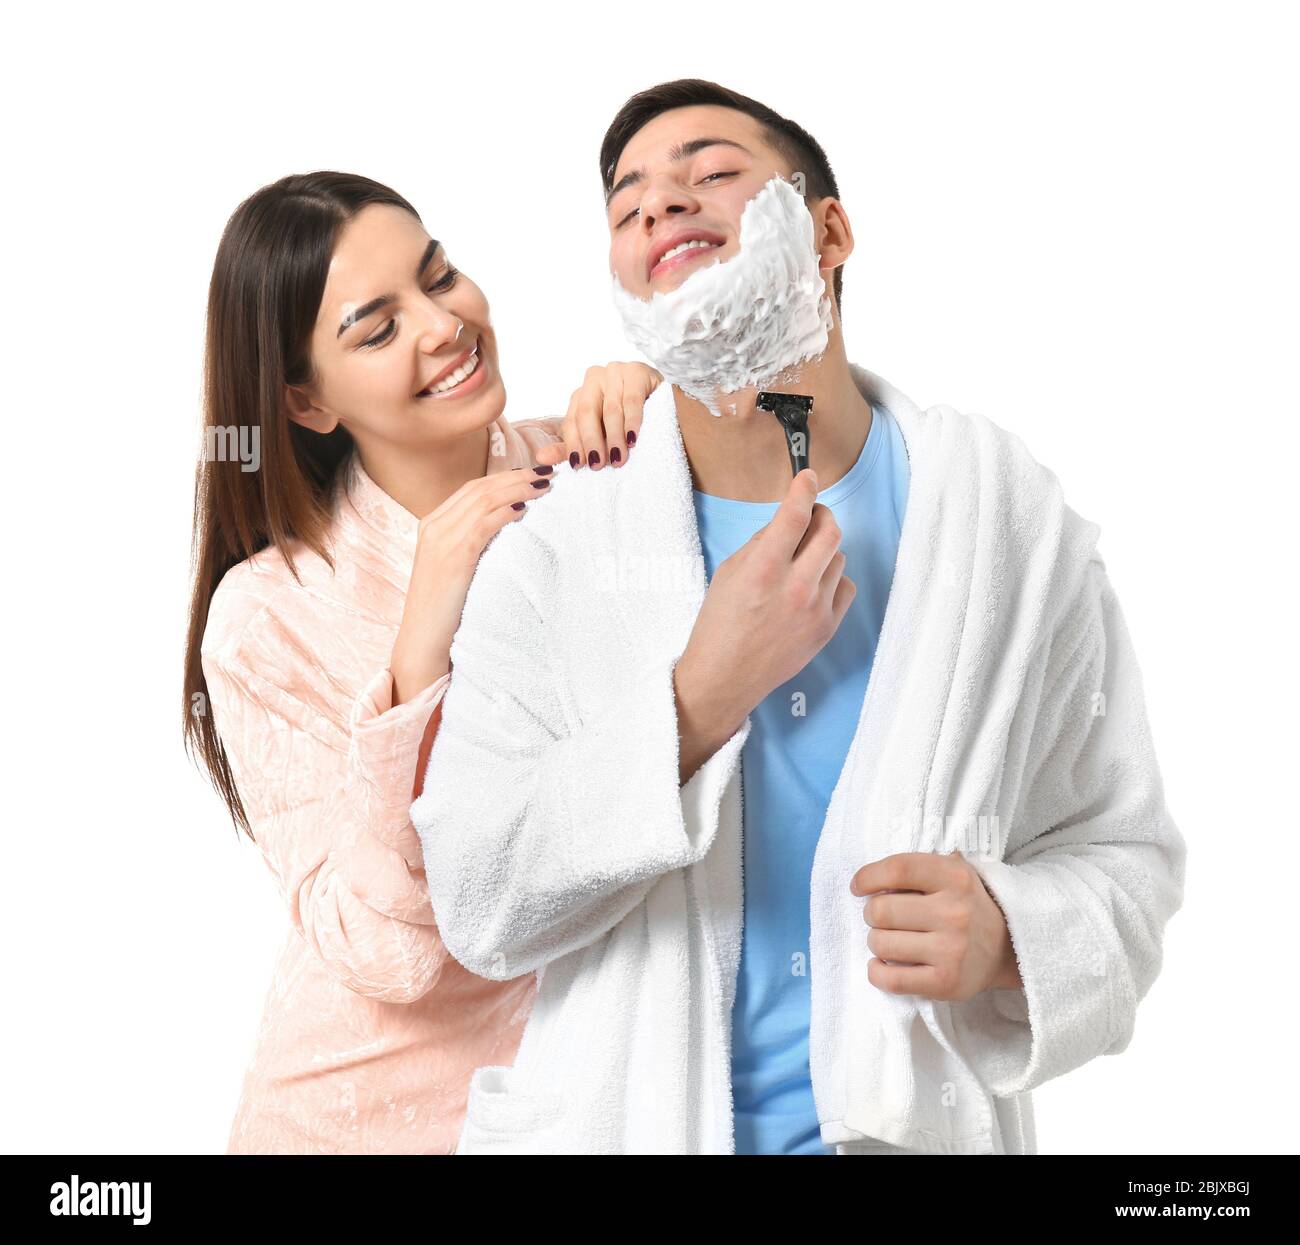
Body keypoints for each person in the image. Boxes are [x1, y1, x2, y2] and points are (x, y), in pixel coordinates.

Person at [412, 82, 1186, 1155]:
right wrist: (696, 700)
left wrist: (1012, 935)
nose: (657, 205)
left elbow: (1123, 856)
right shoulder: (552, 555)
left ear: (827, 231)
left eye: (710, 170)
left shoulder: (1004, 525)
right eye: (627, 202)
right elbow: (477, 899)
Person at [182, 170, 661, 1154]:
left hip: (584, 1107)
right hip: (355, 1121)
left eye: (439, 278)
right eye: (377, 328)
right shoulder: (265, 617)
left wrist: (676, 400)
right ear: (306, 403)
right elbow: (380, 954)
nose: (443, 326)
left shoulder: (595, 471)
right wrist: (417, 652)